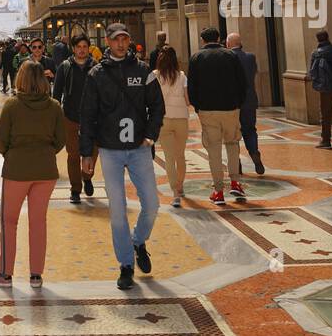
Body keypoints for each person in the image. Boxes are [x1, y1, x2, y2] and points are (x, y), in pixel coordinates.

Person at [79, 23, 164, 291]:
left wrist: (150, 136)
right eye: (116, 39)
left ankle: (139, 241)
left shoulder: (143, 71)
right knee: (117, 210)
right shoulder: (96, 74)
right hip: (110, 150)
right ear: (108, 41)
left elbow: (157, 106)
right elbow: (87, 116)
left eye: (125, 39)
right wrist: (86, 153)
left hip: (139, 148)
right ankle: (126, 264)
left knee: (151, 204)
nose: (121, 44)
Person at [0, 60, 66, 289]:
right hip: (46, 170)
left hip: (17, 170)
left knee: (9, 221)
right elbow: (61, 140)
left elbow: (1, 139)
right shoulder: (54, 106)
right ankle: (36, 275)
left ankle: (5, 274)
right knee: (38, 222)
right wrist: (46, 151)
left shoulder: (12, 105)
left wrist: (12, 153)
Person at [187, 27, 247, 206]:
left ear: (202, 40)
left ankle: (218, 191)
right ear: (219, 38)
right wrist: (238, 103)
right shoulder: (231, 56)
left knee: (213, 149)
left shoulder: (196, 58)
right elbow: (242, 83)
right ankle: (235, 182)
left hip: (208, 110)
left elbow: (192, 87)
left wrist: (198, 107)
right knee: (233, 144)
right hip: (231, 108)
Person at [52, 34, 96, 203]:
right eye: (79, 47)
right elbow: (56, 93)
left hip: (92, 118)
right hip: (70, 117)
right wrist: (56, 116)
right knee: (73, 154)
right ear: (73, 48)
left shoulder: (95, 67)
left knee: (92, 152)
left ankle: (87, 176)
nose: (82, 50)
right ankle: (75, 189)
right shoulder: (65, 67)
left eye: (85, 47)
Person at [154, 45, 190, 206]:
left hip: (164, 119)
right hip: (181, 118)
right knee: (180, 155)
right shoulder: (182, 76)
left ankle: (175, 194)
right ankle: (180, 185)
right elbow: (188, 100)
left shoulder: (154, 76)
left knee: (169, 157)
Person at [226, 32, 265, 174]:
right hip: (249, 100)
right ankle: (254, 153)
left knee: (232, 134)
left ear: (228, 44)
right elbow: (253, 73)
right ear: (240, 43)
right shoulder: (250, 57)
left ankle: (237, 163)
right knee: (250, 130)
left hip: (232, 103)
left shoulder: (227, 58)